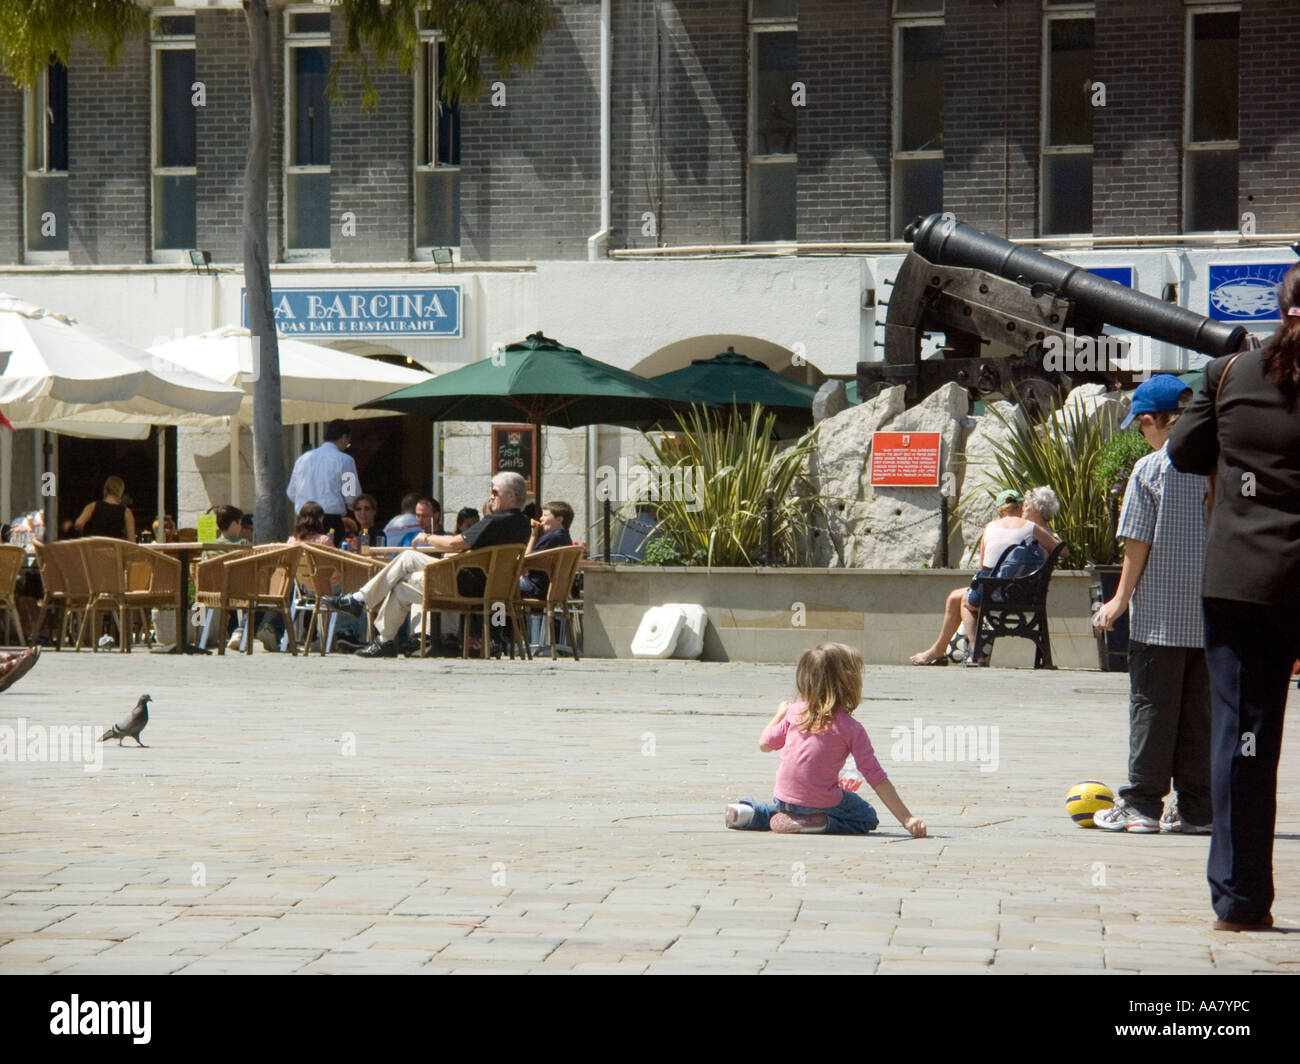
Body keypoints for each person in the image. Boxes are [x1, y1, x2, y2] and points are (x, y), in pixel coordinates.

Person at [1167, 263, 1300, 933]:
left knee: (1244, 741)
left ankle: (1242, 898)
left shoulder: (1231, 374)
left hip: (1244, 584)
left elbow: (1184, 453)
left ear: (1282, 307)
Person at [1092, 375, 1210, 836]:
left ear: (1150, 420)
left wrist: (1119, 600)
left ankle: (1142, 805)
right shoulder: (1219, 465)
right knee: (1200, 715)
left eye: (1141, 427)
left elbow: (1136, 542)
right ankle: (1198, 809)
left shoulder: (1152, 469)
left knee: (1153, 708)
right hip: (1209, 618)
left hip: (1160, 619)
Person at [725, 643, 927, 836]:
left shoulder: (794, 712)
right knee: (866, 816)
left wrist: (779, 714)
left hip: (782, 799)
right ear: (850, 684)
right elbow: (875, 776)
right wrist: (907, 818)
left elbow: (764, 744)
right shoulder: (851, 728)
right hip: (821, 801)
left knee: (780, 809)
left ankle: (748, 814)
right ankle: (816, 822)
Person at [326, 472, 532, 658]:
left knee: (406, 562)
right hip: (491, 587)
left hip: (460, 583)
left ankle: (362, 605)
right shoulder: (523, 525)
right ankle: (382, 637)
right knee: (402, 584)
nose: (491, 496)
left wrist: (426, 537)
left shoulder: (494, 521)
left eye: (495, 492)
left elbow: (454, 543)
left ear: (511, 496)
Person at [908, 487, 1062, 666]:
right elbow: (1062, 550)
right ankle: (940, 650)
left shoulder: (1023, 529)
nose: (1024, 509)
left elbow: (983, 565)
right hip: (1025, 592)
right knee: (956, 597)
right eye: (1022, 505)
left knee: (963, 599)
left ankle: (972, 651)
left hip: (1001, 594)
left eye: (1027, 506)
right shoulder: (1042, 534)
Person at [285, 419, 360, 545]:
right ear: (343, 438)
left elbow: (291, 493)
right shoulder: (345, 460)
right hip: (330, 521)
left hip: (303, 521)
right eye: (347, 443)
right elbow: (351, 496)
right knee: (331, 562)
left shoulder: (302, 459)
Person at [520, 500, 574, 599]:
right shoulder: (565, 537)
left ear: (559, 520)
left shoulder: (551, 537)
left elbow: (525, 561)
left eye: (545, 515)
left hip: (535, 587)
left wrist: (533, 536)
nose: (541, 519)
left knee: (499, 584)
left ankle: (500, 614)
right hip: (552, 589)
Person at [73, 476, 135, 541]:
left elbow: (79, 524)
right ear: (121, 491)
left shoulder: (92, 506)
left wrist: (85, 536)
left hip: (95, 548)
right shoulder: (127, 512)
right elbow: (131, 540)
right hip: (114, 549)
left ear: (105, 489)